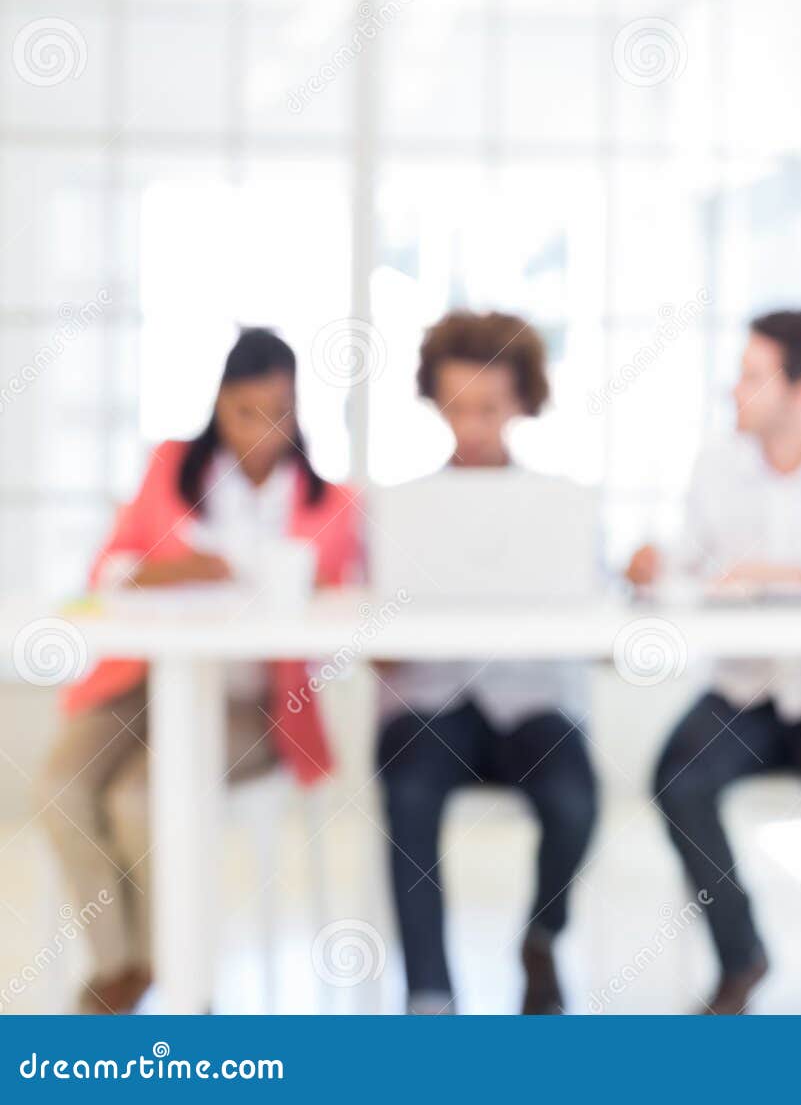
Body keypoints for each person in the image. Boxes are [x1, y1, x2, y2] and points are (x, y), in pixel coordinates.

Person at [37, 327, 364, 1014]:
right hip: (144, 681)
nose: (262, 429)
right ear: (219, 405)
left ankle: (166, 970)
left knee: (139, 798)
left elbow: (346, 617)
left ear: (299, 406)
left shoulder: (328, 505)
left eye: (279, 409)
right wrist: (171, 568)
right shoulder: (172, 468)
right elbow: (106, 575)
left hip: (254, 705)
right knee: (61, 783)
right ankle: (120, 966)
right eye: (246, 410)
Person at [627, 309, 801, 1015]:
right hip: (744, 689)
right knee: (675, 779)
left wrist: (790, 572)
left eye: (751, 377)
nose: (733, 391)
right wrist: (652, 564)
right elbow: (693, 562)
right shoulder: (717, 463)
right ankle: (743, 954)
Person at [375, 310, 598, 1015]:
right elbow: (373, 642)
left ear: (522, 403)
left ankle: (540, 939)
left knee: (573, 798)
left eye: (489, 407)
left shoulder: (562, 508)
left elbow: (596, 614)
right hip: (429, 705)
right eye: (457, 406)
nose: (471, 424)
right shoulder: (397, 508)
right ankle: (431, 996)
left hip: (531, 701)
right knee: (409, 791)